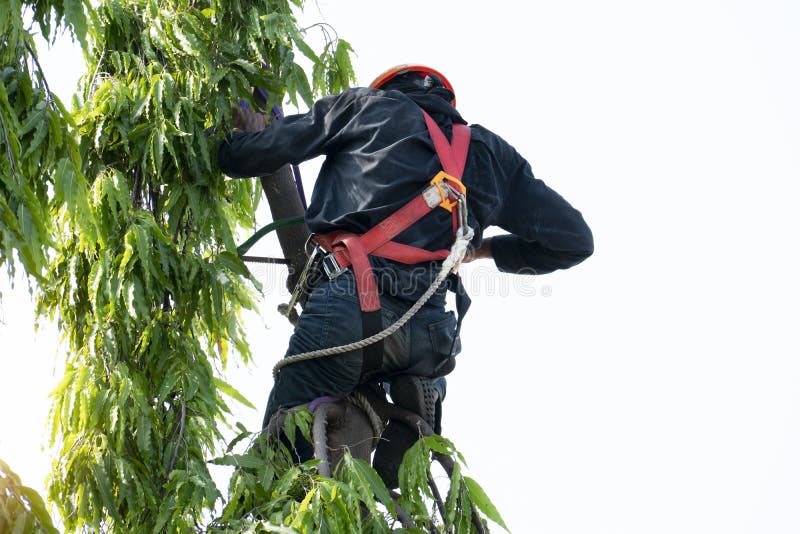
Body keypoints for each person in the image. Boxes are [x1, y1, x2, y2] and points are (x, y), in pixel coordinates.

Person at [217, 64, 593, 487]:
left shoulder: (364, 108)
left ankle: (282, 490)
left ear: (389, 90)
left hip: (349, 311)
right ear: (447, 104)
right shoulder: (490, 154)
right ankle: (418, 397)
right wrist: (482, 249)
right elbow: (574, 240)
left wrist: (244, 136)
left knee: (281, 447)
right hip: (428, 332)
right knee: (425, 360)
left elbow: (244, 157)